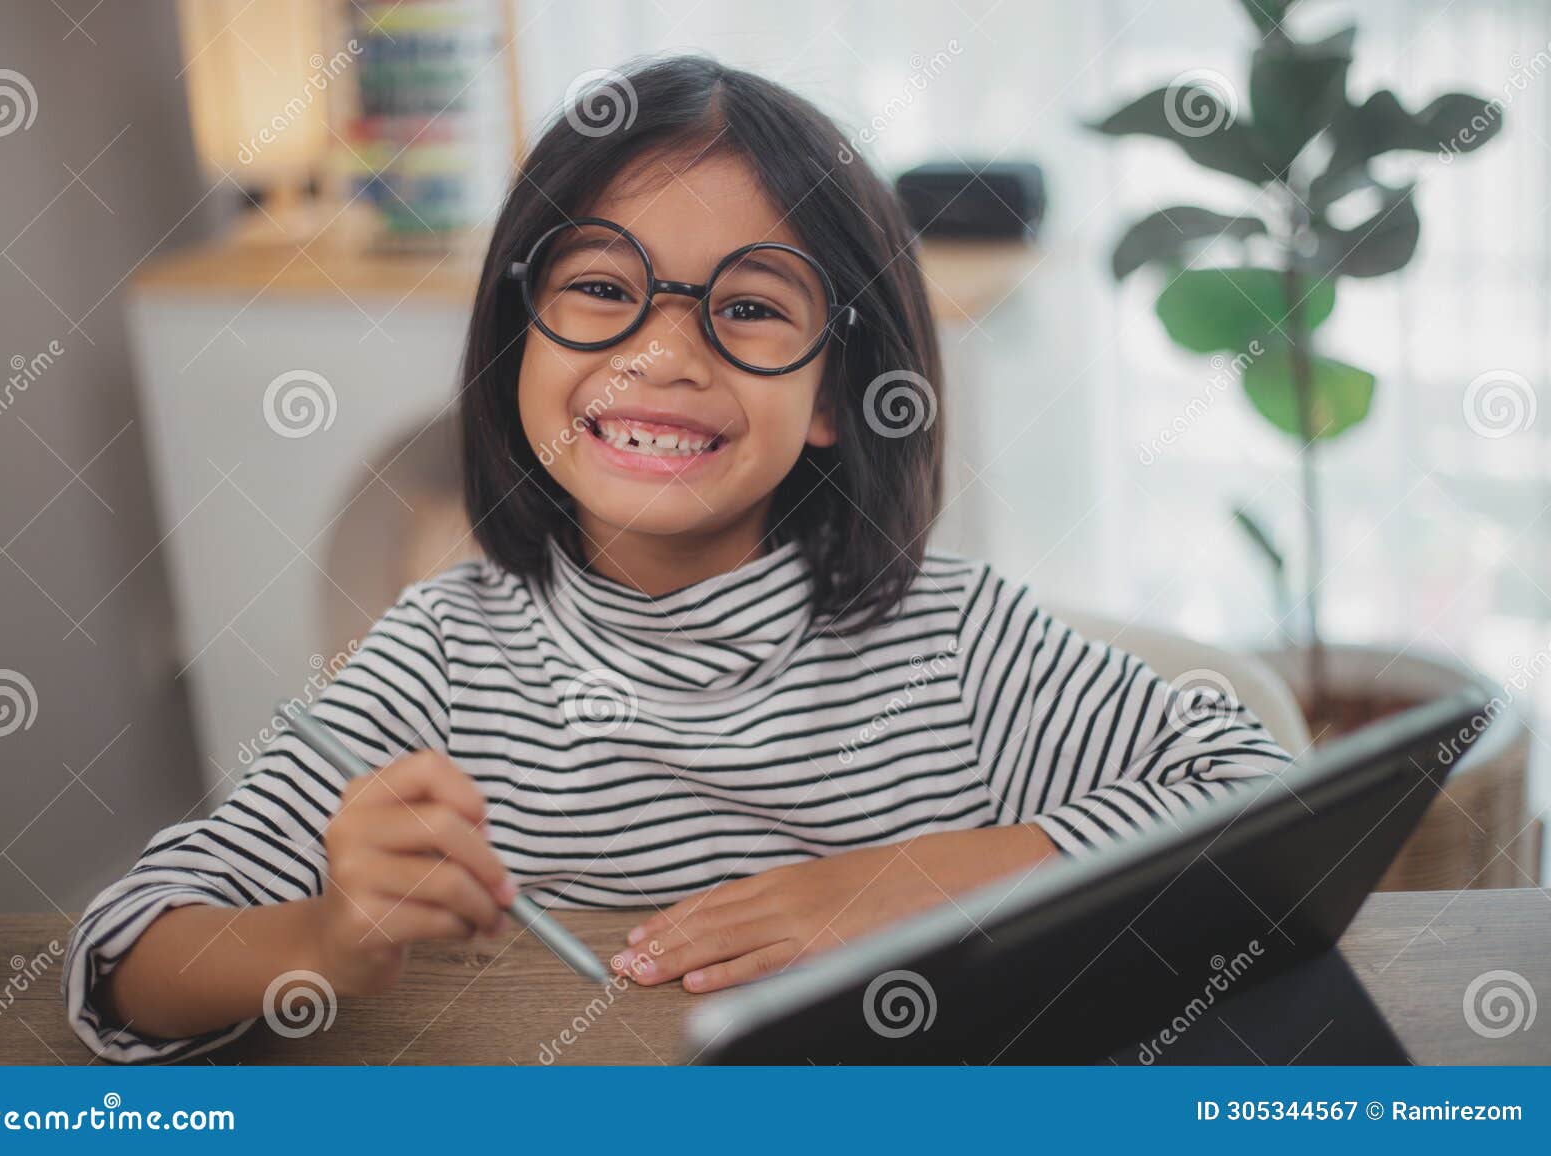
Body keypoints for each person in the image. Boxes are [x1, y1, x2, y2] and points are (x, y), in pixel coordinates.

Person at [64, 55, 1286, 1062]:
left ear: (832, 396)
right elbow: (125, 955)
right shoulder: (438, 663)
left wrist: (905, 880)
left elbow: (1260, 793)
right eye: (603, 286)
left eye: (749, 307)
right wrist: (330, 937)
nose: (663, 352)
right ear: (517, 339)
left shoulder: (955, 644)